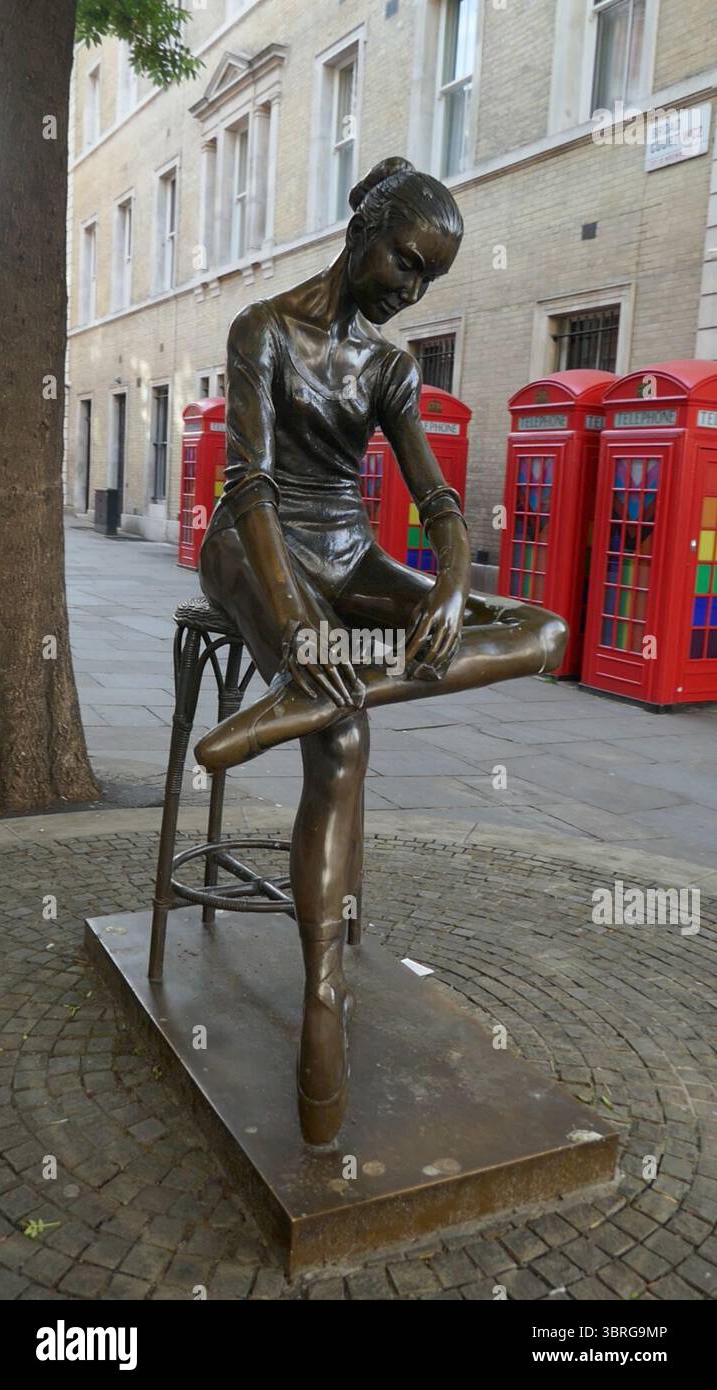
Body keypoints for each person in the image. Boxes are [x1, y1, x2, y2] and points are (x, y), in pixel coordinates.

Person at [195, 157, 568, 1145]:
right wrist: (298, 619)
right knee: (348, 746)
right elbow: (248, 486)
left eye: (427, 281)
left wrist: (447, 590)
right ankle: (322, 992)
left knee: (541, 630)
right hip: (255, 551)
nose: (410, 291)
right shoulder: (263, 329)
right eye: (406, 263)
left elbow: (441, 505)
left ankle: (300, 700)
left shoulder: (390, 365)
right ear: (365, 225)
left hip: (352, 553)